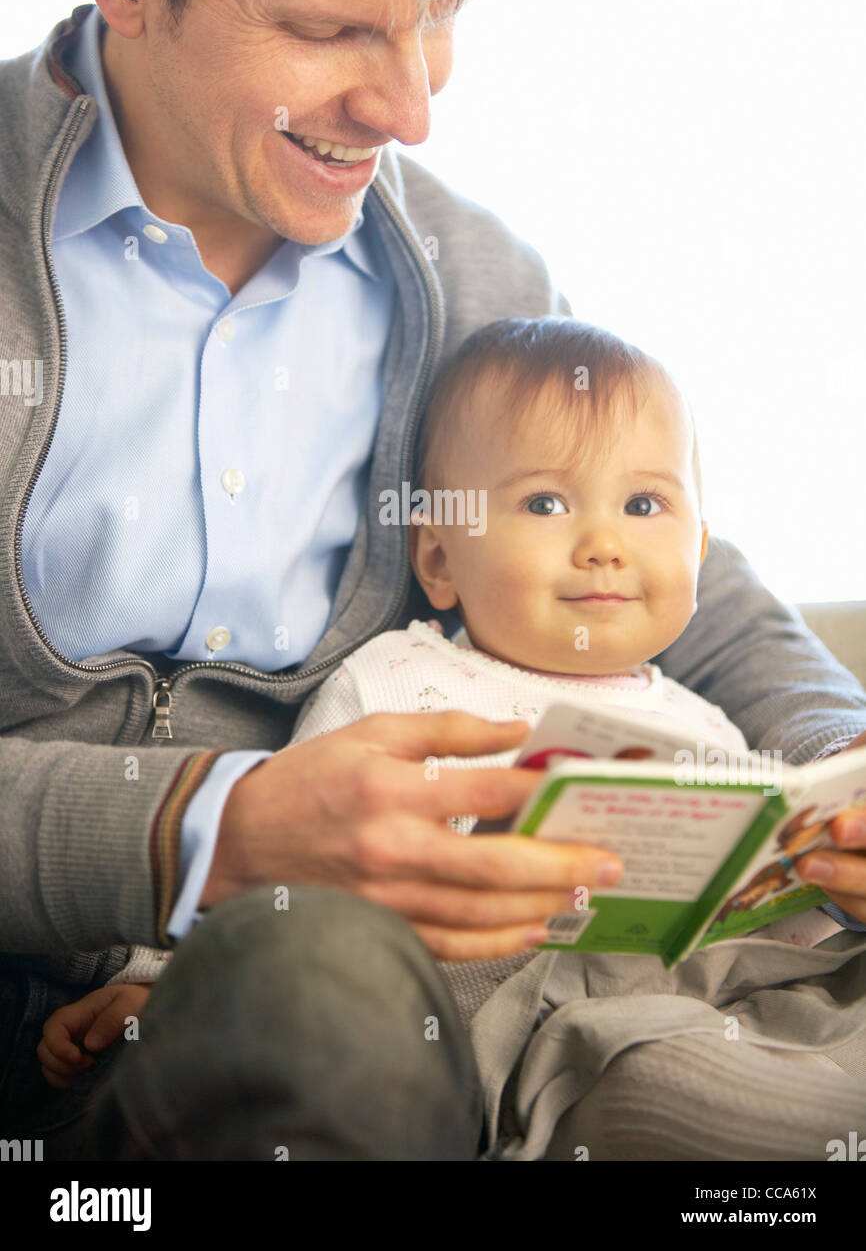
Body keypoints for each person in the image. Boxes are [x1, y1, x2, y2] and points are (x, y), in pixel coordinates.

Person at [2, 0, 866, 1161]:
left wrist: (843, 769)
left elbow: (694, 588)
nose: (407, 108)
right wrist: (199, 819)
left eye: (431, 18)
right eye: (327, 30)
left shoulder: (463, 279)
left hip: (400, 980)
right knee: (316, 997)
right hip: (141, 996)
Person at [36, 319, 866, 1161]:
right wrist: (169, 978)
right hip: (544, 1042)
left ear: (697, 548)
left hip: (734, 1004)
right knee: (668, 1094)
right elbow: (277, 868)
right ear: (438, 558)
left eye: (644, 504)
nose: (605, 546)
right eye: (545, 503)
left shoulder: (708, 725)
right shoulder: (399, 682)